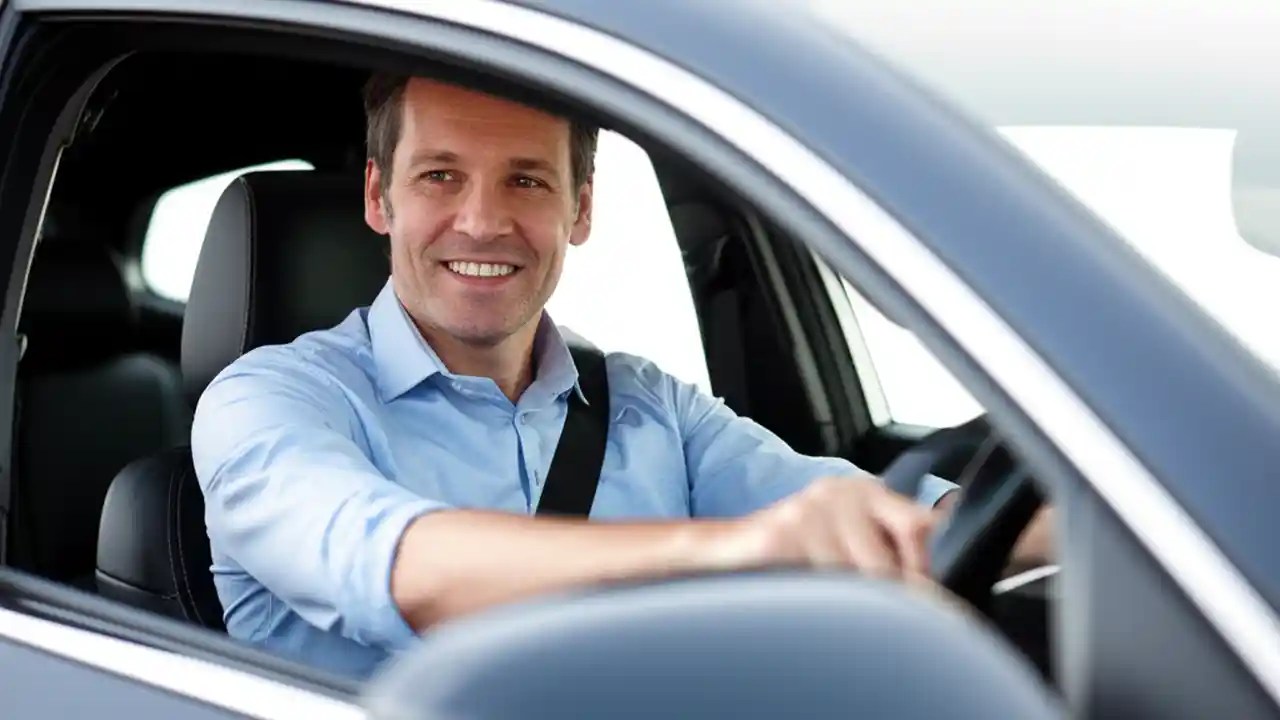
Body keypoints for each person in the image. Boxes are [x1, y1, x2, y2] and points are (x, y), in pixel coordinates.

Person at [191, 73, 1051, 679]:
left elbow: (891, 523)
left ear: (582, 207)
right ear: (381, 199)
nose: (484, 221)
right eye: (440, 175)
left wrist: (1116, 524)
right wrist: (737, 551)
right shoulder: (269, 404)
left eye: (526, 180)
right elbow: (389, 563)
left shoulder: (648, 406)